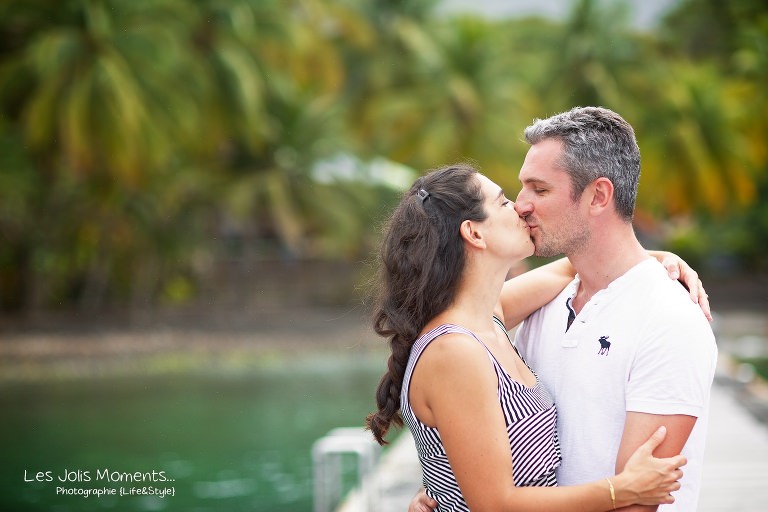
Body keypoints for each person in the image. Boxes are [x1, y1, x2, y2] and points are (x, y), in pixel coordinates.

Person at [411, 107, 717, 512]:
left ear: (598, 196)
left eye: (539, 190)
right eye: (518, 191)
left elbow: (637, 501)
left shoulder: (670, 318)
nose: (521, 206)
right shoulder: (536, 306)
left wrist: (654, 259)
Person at [366, 163, 688, 512]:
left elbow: (578, 267)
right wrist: (623, 489)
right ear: (474, 233)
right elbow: (495, 503)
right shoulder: (455, 350)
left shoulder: (487, 319)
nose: (519, 207)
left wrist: (662, 260)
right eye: (503, 202)